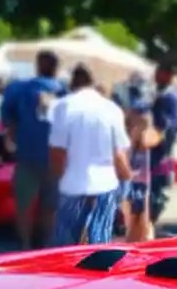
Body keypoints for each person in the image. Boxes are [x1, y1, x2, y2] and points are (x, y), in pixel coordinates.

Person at [49, 64, 131, 246]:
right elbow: (119, 156)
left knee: (65, 245)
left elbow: (57, 153)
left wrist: (58, 181)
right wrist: (127, 184)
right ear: (92, 82)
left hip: (73, 184)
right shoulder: (111, 109)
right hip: (105, 185)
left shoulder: (63, 107)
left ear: (73, 82)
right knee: (99, 245)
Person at [0, 50, 67, 249]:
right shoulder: (63, 91)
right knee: (50, 207)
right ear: (56, 68)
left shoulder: (18, 89)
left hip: (27, 156)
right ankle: (45, 246)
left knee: (24, 206)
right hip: (55, 157)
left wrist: (14, 141)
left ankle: (25, 246)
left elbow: (7, 121)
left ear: (37, 65)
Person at [148, 64, 177, 228]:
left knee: (154, 186)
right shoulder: (173, 95)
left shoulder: (167, 97)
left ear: (167, 74)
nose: (155, 76)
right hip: (163, 149)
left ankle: (152, 216)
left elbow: (163, 126)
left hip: (158, 149)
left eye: (158, 73)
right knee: (156, 185)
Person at [122, 104, 160, 242]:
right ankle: (133, 243)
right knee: (131, 220)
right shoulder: (125, 139)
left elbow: (149, 141)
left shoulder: (150, 136)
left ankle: (144, 243)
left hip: (144, 184)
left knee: (144, 220)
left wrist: (141, 131)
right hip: (130, 183)